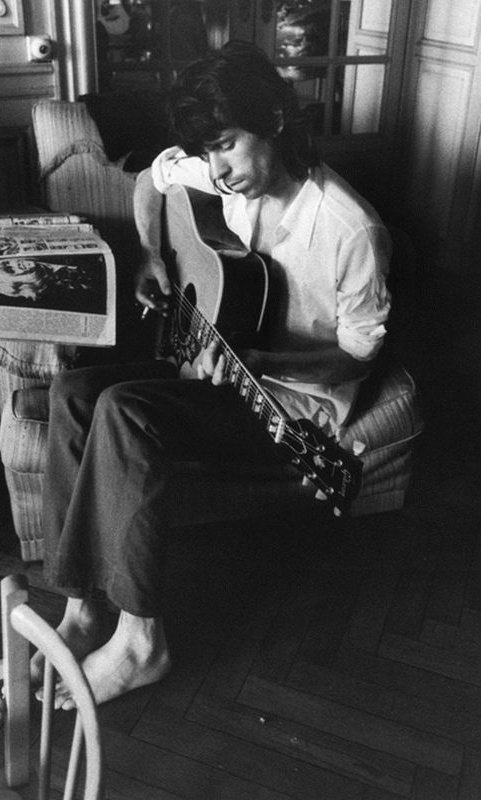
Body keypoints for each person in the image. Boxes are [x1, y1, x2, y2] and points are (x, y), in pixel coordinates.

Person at [34, 41, 391, 709]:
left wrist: (263, 362)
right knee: (74, 392)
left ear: (277, 123)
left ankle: (142, 641)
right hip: (214, 372)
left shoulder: (350, 230)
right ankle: (81, 608)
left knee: (125, 409)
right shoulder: (217, 173)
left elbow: (356, 355)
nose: (217, 169)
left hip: (287, 405)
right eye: (208, 151)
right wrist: (151, 256)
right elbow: (150, 182)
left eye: (226, 145)